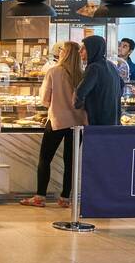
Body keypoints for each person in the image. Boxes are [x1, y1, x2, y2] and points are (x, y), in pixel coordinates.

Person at [20, 41, 86, 208]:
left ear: (64, 53)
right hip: (77, 123)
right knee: (71, 162)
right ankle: (65, 198)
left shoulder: (54, 72)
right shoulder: (83, 74)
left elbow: (44, 100)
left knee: (45, 159)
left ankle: (40, 197)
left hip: (57, 120)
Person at [74, 35, 122, 125]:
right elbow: (121, 85)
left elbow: (81, 91)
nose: (79, 51)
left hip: (98, 118)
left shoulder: (94, 67)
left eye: (83, 48)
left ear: (93, 49)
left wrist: (78, 106)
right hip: (113, 118)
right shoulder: (111, 65)